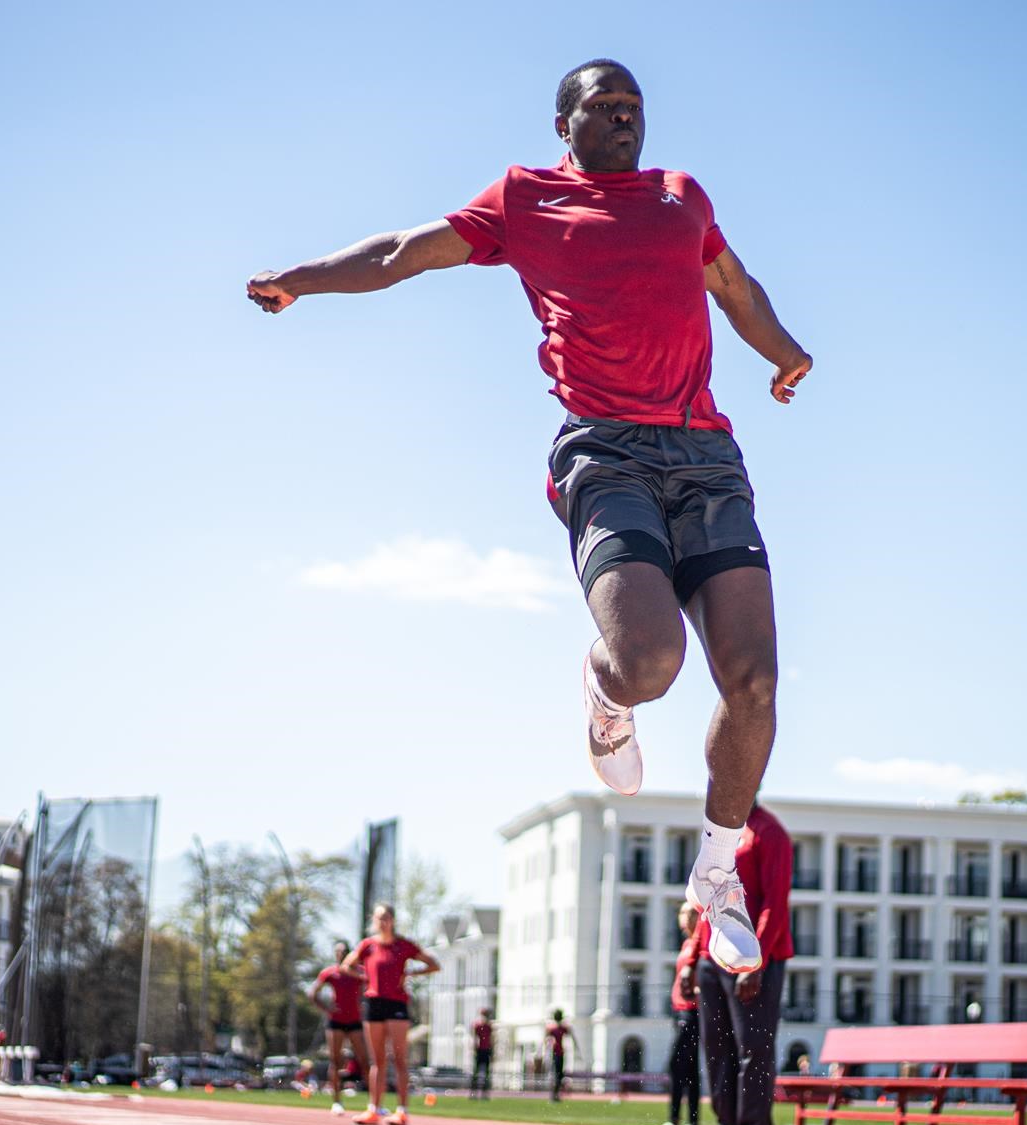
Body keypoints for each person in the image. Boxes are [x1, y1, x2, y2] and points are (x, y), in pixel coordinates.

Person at [246, 59, 812, 975]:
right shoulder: (526, 199)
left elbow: (734, 287)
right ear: (565, 125)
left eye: (635, 107)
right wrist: (300, 279)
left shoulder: (680, 197)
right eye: (605, 107)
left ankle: (716, 873)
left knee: (754, 681)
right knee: (651, 661)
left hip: (708, 458)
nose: (625, 119)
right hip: (607, 453)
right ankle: (606, 691)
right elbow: (401, 252)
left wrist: (784, 354)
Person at [695, 801, 793, 1125]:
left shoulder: (770, 833)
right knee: (716, 1052)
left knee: (753, 1052)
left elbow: (775, 903)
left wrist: (756, 962)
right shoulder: (719, 832)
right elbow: (707, 897)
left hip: (753, 961)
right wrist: (693, 957)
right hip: (713, 959)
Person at [342, 903, 440, 1125]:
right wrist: (364, 976)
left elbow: (434, 964)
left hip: (396, 1003)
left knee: (399, 1058)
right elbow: (346, 965)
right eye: (379, 918)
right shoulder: (368, 945)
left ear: (393, 920)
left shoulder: (403, 945)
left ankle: (402, 1111)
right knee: (377, 1061)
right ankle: (373, 1110)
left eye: (386, 917)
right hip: (374, 1003)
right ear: (373, 920)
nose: (382, 922)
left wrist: (411, 972)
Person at [311, 939, 370, 1115]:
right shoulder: (330, 972)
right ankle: (337, 1101)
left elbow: (370, 985)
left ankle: (373, 1104)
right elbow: (313, 993)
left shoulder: (359, 972)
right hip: (336, 1021)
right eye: (338, 952)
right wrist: (327, 1008)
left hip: (355, 1020)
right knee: (336, 1060)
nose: (341, 955)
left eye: (344, 952)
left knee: (364, 1060)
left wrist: (365, 1004)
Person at [668, 902, 704, 1125]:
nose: (684, 917)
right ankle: (691, 1119)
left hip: (690, 1012)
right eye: (682, 912)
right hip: (678, 1011)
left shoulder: (700, 945)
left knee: (675, 1064)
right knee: (690, 1069)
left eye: (690, 913)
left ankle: (674, 1118)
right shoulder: (685, 944)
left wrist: (700, 992)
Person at [545, 1009, 578, 1102]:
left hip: (557, 1053)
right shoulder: (559, 1028)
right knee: (558, 1075)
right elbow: (571, 1035)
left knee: (558, 1075)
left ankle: (555, 1095)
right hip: (558, 1054)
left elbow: (546, 1039)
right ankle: (554, 1095)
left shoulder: (553, 1029)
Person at [469, 1006, 494, 1100]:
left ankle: (485, 1094)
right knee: (476, 1073)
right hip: (480, 1050)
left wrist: (492, 1051)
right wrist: (474, 1049)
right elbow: (475, 1038)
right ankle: (473, 1094)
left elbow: (491, 1039)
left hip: (486, 1050)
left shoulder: (489, 1026)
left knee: (486, 1074)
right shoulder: (478, 1026)